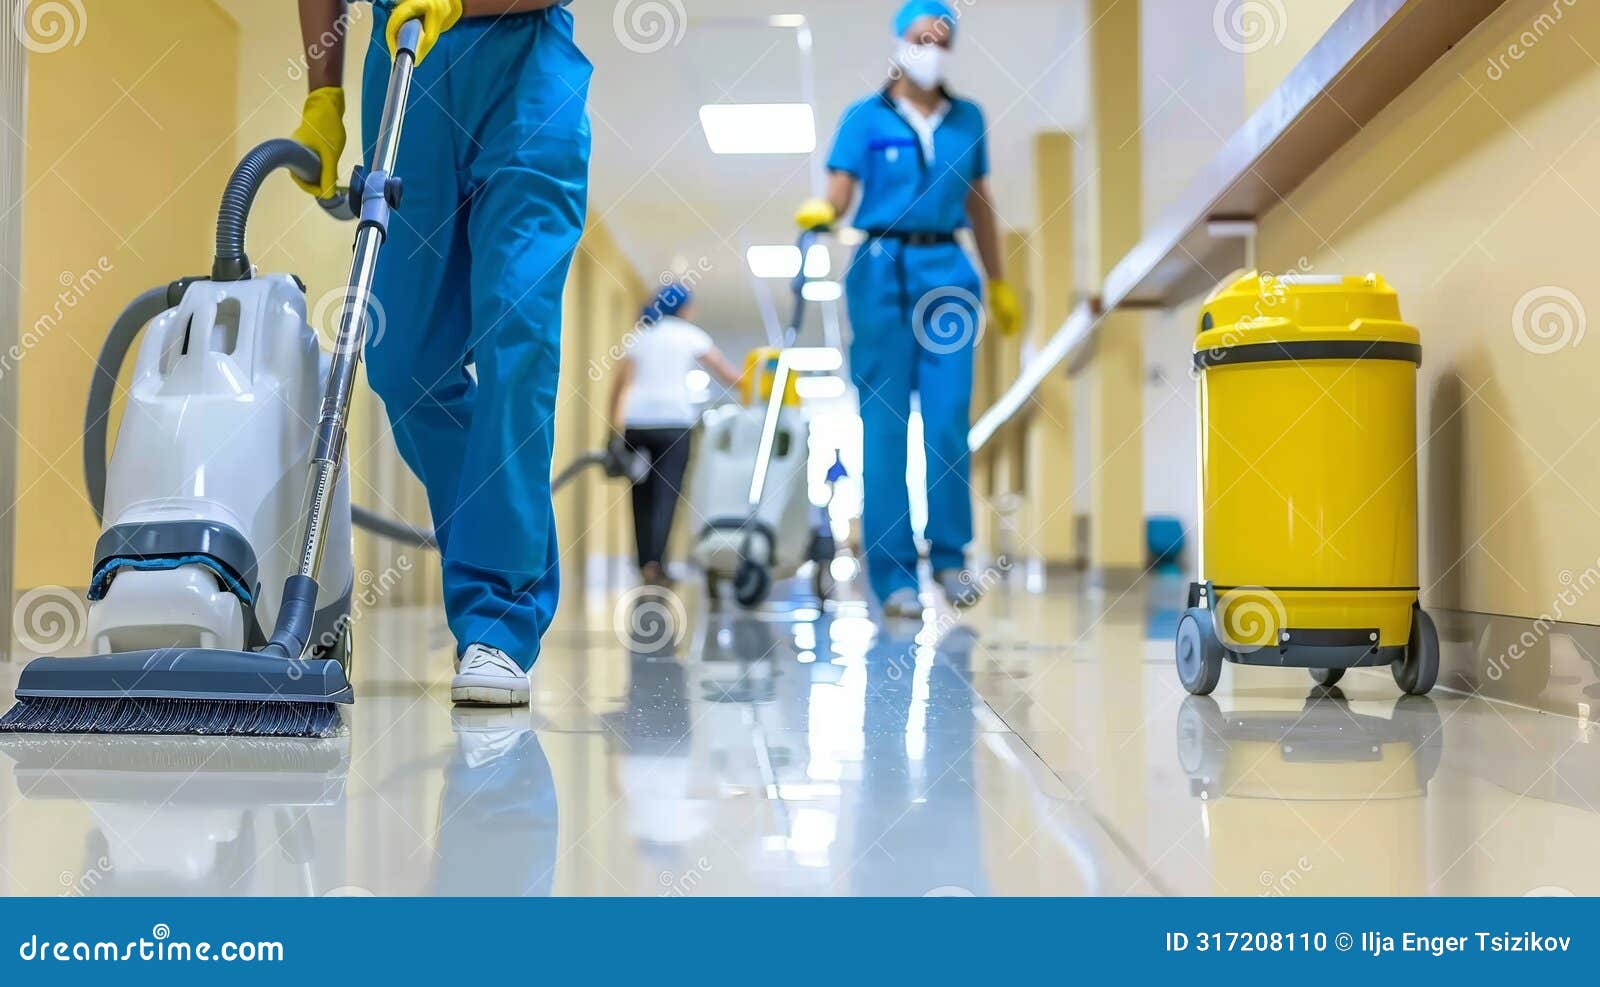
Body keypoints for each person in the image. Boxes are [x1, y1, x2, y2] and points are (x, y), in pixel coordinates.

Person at [291, 0, 591, 705]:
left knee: (515, 332)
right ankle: (503, 559)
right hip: (405, 56)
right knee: (403, 365)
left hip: (527, 65)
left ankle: (497, 618)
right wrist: (323, 94)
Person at [795, 0, 1020, 620]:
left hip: (948, 270)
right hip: (879, 267)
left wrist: (998, 281)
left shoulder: (967, 119)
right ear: (899, 42)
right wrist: (825, 212)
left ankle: (949, 558)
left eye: (941, 40)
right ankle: (891, 575)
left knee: (948, 417)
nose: (931, 48)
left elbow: (979, 203)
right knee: (885, 422)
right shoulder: (863, 118)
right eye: (921, 37)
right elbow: (840, 188)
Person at [606, 282, 742, 587]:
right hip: (673, 425)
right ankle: (657, 563)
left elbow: (620, 386)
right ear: (684, 307)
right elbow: (729, 375)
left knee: (640, 496)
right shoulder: (690, 335)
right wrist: (761, 381)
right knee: (667, 495)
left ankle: (645, 563)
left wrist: (613, 431)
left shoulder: (641, 335)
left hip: (636, 425)